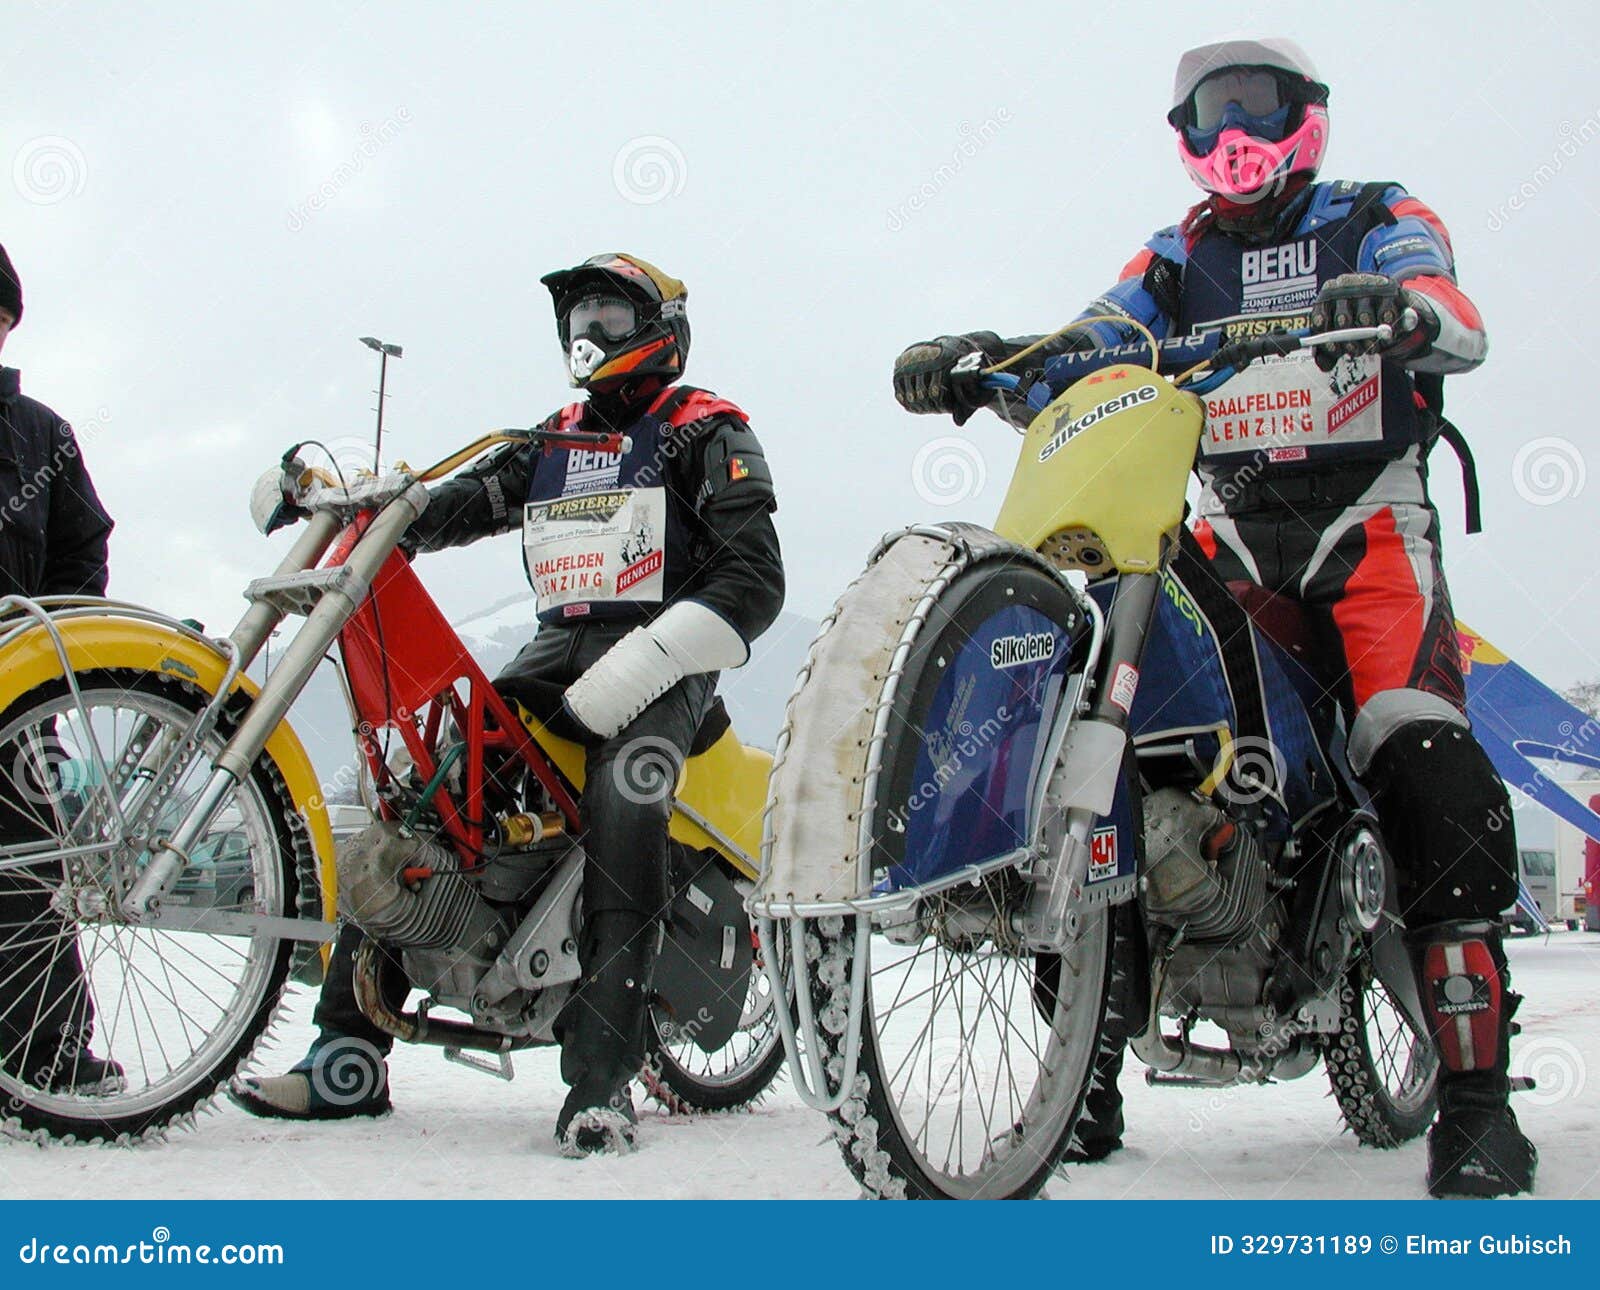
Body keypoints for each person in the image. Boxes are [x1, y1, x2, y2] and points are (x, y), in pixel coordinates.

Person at [890, 38, 1535, 1199]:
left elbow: (1447, 303)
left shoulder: (1371, 211)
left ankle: (1477, 1106)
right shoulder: (1177, 255)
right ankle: (1081, 1076)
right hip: (1230, 535)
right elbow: (1093, 340)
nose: (1229, 133)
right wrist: (992, 364)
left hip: (1366, 529)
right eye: (1204, 112)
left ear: (1305, 115)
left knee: (1414, 741)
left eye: (1252, 105)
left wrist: (1397, 308)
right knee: (1141, 735)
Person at [230, 253, 784, 1156]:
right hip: (555, 653)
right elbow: (453, 507)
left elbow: (755, 580)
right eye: (579, 321)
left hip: (666, 669)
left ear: (660, 329)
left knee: (627, 794)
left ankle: (602, 1087)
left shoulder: (707, 429)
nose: (588, 337)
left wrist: (641, 664)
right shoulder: (554, 440)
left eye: (608, 317)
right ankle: (347, 1054)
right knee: (423, 779)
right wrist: (369, 502)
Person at [0, 240, 122, 1096]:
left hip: (14, 693)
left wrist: (45, 646)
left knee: (29, 873)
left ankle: (45, 1052)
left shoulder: (41, 433)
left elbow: (84, 547)